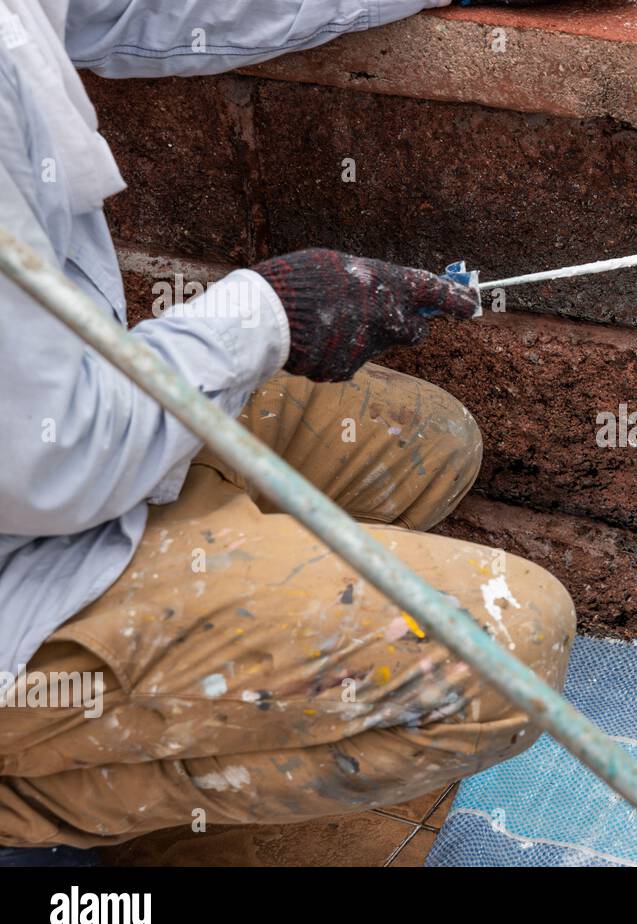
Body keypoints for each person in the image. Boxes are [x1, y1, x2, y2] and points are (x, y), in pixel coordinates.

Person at [0, 0, 574, 864]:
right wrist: (271, 315)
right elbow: (58, 452)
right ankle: (38, 787)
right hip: (42, 496)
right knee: (509, 649)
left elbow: (139, 6)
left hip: (54, 428)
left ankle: (160, 718)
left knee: (419, 447)